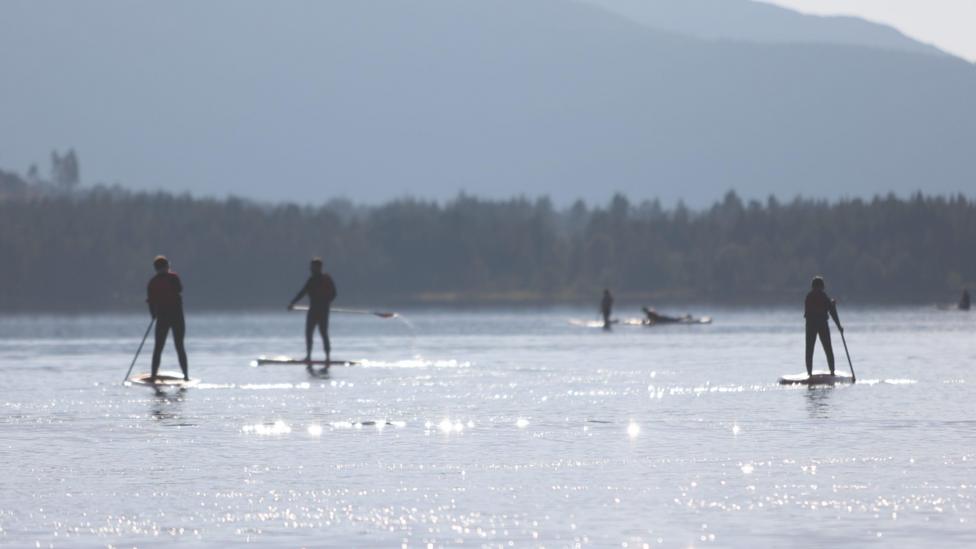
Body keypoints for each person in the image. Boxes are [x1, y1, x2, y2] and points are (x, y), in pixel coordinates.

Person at [288, 257, 337, 367]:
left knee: (323, 333)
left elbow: (334, 294)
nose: (311, 269)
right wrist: (292, 303)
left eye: (313, 267)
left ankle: (327, 357)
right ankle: (309, 356)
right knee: (309, 333)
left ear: (319, 267)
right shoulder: (311, 280)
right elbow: (302, 292)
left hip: (323, 311)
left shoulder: (326, 279)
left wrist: (326, 302)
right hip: (313, 311)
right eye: (311, 266)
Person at [147, 255, 189, 381]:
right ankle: (186, 375)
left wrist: (153, 314)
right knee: (179, 346)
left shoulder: (152, 282)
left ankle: (154, 375)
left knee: (158, 347)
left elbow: (151, 302)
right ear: (167, 266)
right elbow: (180, 289)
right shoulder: (173, 277)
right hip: (176, 316)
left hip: (163, 317)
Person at [804, 276, 843, 377]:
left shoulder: (809, 296)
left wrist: (831, 304)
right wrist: (839, 326)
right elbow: (832, 312)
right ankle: (832, 371)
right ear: (821, 287)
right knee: (828, 348)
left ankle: (809, 373)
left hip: (811, 325)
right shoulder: (823, 296)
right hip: (822, 325)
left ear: (813, 286)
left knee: (809, 349)